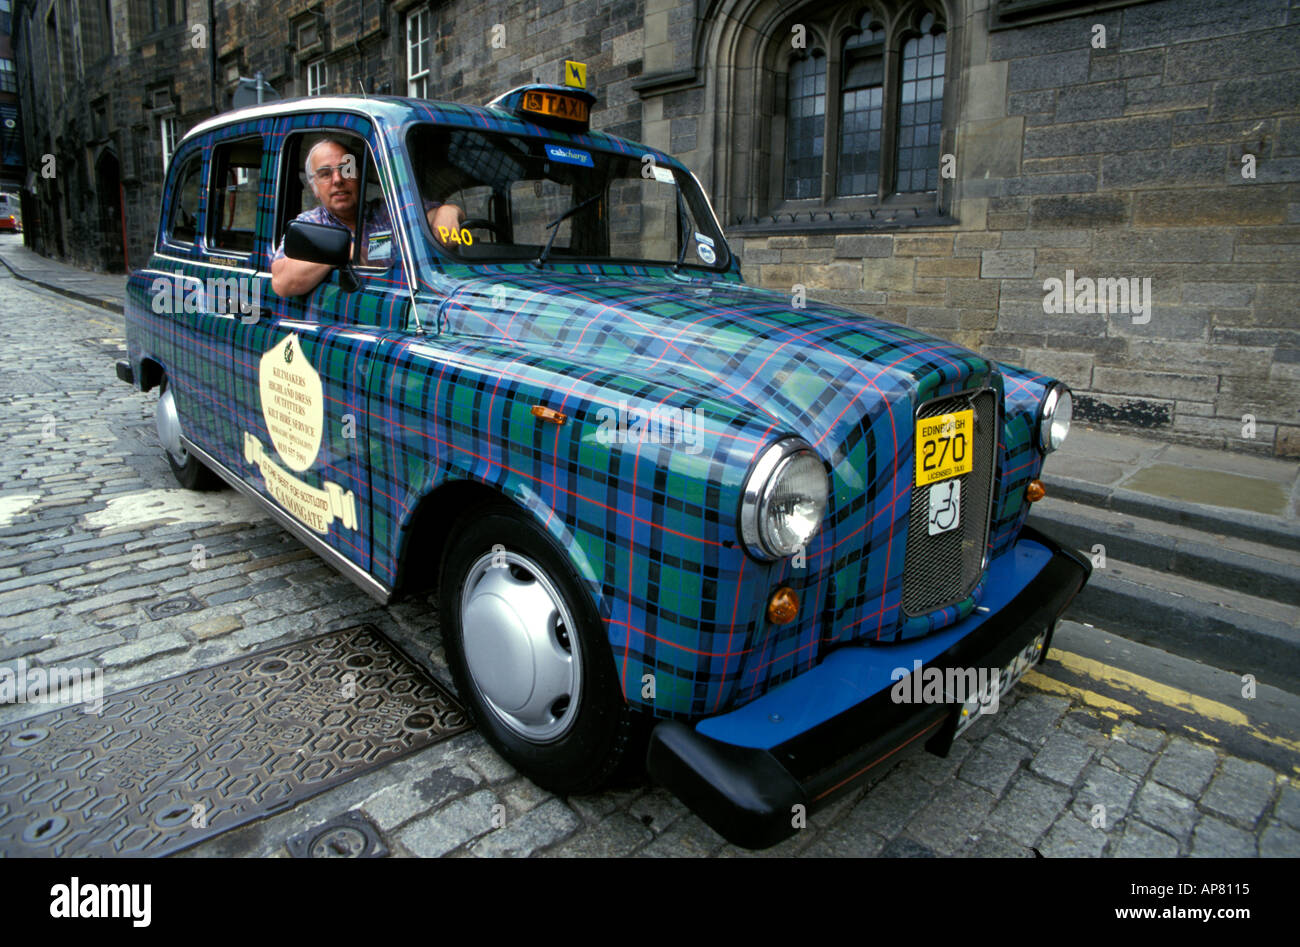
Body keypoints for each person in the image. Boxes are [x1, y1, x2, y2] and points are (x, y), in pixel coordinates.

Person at [271, 137, 464, 296]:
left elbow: (429, 215)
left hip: (405, 301)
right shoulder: (310, 224)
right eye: (325, 174)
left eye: (347, 169)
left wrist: (450, 211)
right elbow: (282, 283)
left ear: (359, 176)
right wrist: (342, 250)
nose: (338, 180)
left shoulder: (385, 212)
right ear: (314, 187)